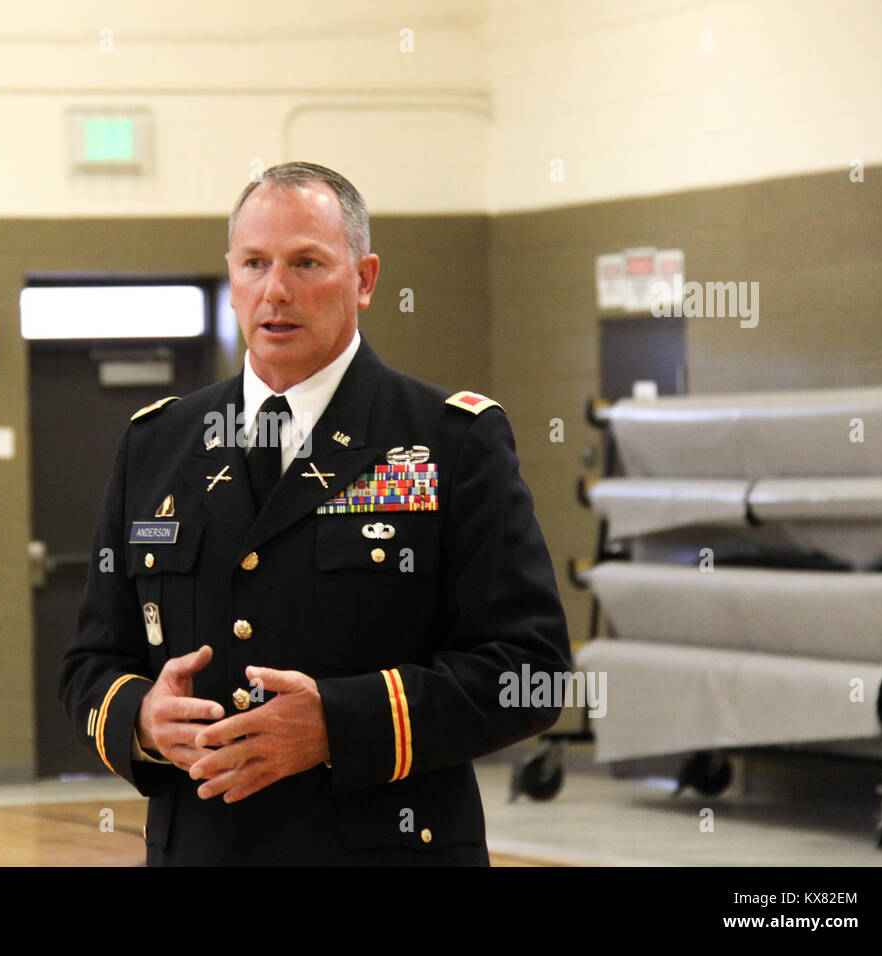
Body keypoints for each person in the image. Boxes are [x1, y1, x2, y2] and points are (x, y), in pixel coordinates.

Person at [60, 161, 570, 865]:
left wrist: (340, 724)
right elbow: (90, 661)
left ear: (363, 280)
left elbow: (529, 671)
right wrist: (142, 719)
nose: (276, 291)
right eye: (255, 263)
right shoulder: (157, 444)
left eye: (307, 262)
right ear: (231, 278)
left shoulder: (448, 440)